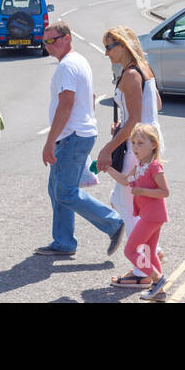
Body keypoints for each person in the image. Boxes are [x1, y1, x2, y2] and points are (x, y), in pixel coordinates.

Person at [35, 22, 124, 257]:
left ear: (66, 38)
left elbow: (66, 105)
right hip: (77, 134)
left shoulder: (67, 66)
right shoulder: (78, 61)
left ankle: (113, 222)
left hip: (72, 137)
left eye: (52, 41)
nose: (48, 46)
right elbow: (91, 95)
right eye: (45, 42)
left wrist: (49, 141)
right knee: (56, 189)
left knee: (64, 191)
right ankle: (63, 242)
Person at [97, 25, 163, 287]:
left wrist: (108, 148)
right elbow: (156, 105)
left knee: (126, 203)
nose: (106, 53)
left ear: (123, 45)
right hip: (148, 142)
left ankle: (142, 271)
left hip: (137, 147)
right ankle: (152, 255)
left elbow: (134, 119)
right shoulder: (144, 69)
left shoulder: (130, 75)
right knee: (133, 204)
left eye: (109, 47)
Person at [105, 122, 169, 301]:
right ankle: (160, 292)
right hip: (149, 215)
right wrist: (107, 168)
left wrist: (142, 191)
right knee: (149, 251)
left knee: (130, 250)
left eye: (140, 143)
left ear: (153, 144)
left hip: (153, 216)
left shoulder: (155, 167)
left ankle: (157, 278)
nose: (135, 147)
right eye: (133, 143)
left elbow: (165, 192)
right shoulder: (141, 165)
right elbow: (125, 180)